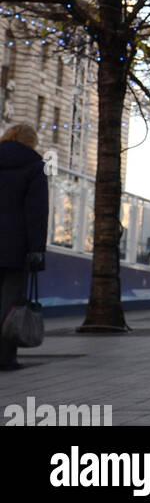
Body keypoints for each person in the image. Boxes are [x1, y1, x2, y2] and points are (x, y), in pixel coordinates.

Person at [0, 123, 48, 372]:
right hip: (16, 248)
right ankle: (5, 357)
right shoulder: (34, 166)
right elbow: (36, 212)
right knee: (10, 303)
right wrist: (37, 249)